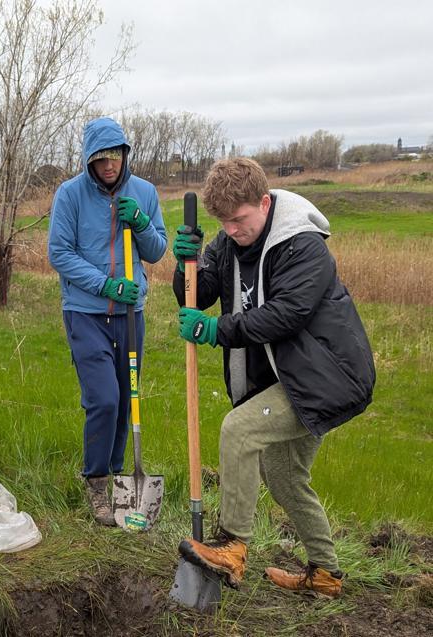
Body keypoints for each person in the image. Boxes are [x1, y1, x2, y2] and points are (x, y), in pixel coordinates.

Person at [172, 157, 375, 598]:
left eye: (239, 219)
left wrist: (217, 331)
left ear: (264, 203)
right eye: (223, 222)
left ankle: (232, 547)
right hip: (287, 379)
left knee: (238, 431)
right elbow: (198, 294)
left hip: (324, 378)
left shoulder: (302, 246)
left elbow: (288, 314)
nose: (231, 230)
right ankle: (325, 575)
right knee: (284, 477)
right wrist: (184, 263)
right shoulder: (229, 243)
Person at [48, 117, 167, 525]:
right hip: (85, 312)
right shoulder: (70, 195)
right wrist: (106, 286)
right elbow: (59, 254)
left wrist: (142, 223)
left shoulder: (145, 193)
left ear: (124, 155)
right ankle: (97, 481)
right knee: (104, 398)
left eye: (115, 156)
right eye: (100, 159)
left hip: (131, 315)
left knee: (127, 397)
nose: (109, 165)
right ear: (89, 161)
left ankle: (121, 476)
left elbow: (156, 251)